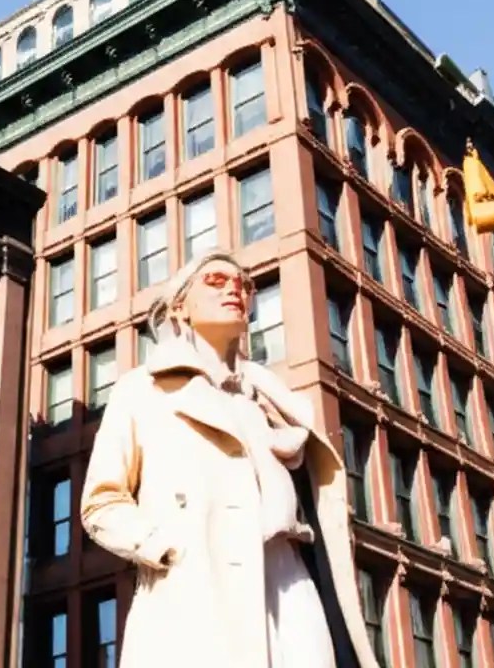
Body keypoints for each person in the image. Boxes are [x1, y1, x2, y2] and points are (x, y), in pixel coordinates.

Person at [79, 250, 381, 668]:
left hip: (287, 583)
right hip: (197, 585)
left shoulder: (274, 401)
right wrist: (166, 548)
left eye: (244, 284)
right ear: (180, 306)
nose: (235, 288)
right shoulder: (141, 390)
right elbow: (101, 502)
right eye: (216, 280)